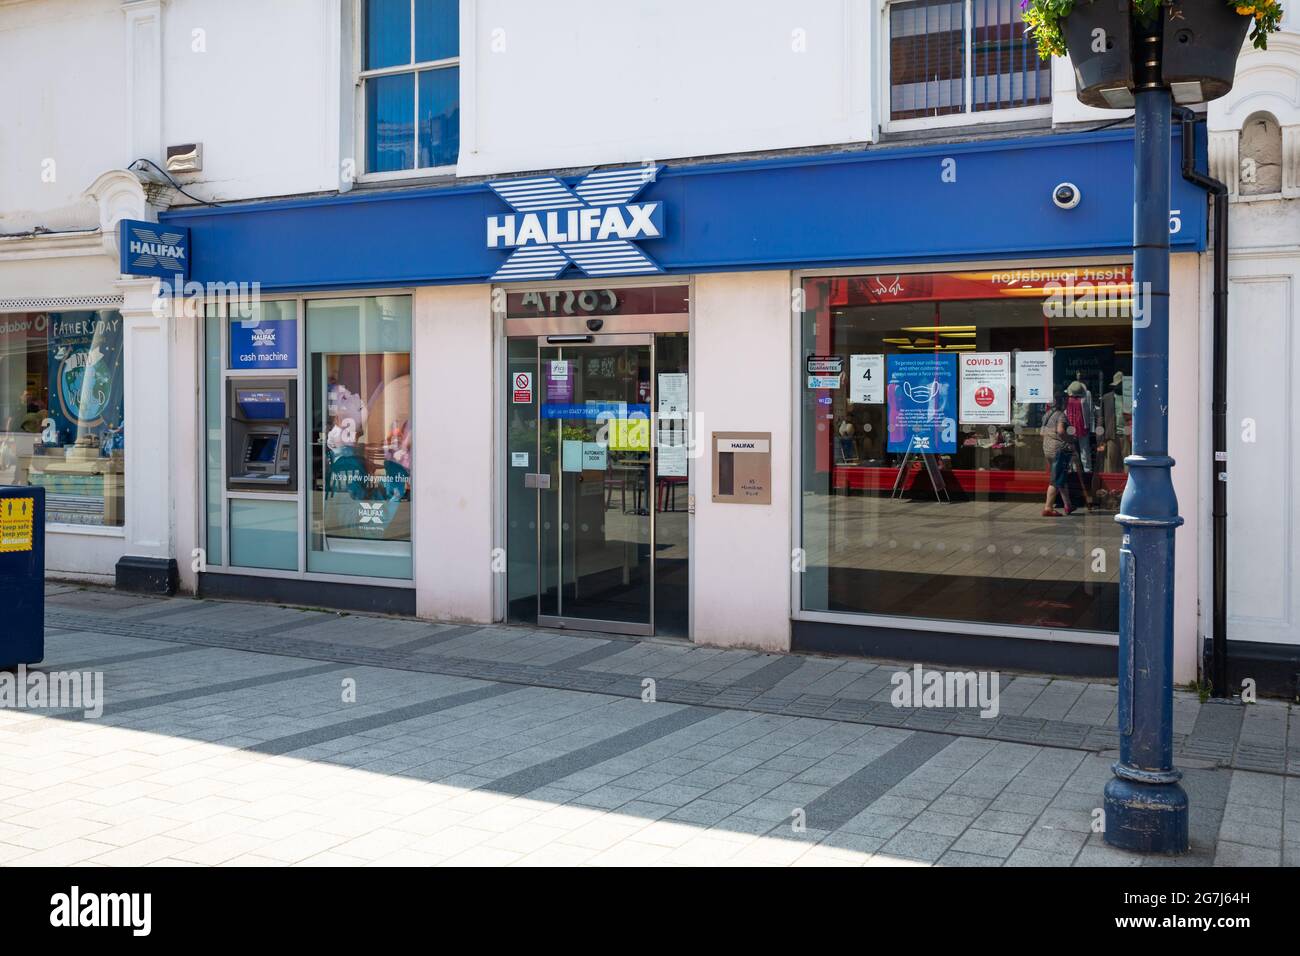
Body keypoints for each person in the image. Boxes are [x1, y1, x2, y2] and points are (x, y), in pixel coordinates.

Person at [1042, 393, 1073, 516]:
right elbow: (1061, 431)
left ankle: (1068, 505)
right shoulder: (1061, 415)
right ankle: (1048, 507)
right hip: (1058, 450)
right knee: (1055, 480)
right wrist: (1069, 439)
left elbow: (1041, 433)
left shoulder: (1047, 415)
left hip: (1047, 449)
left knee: (1059, 476)